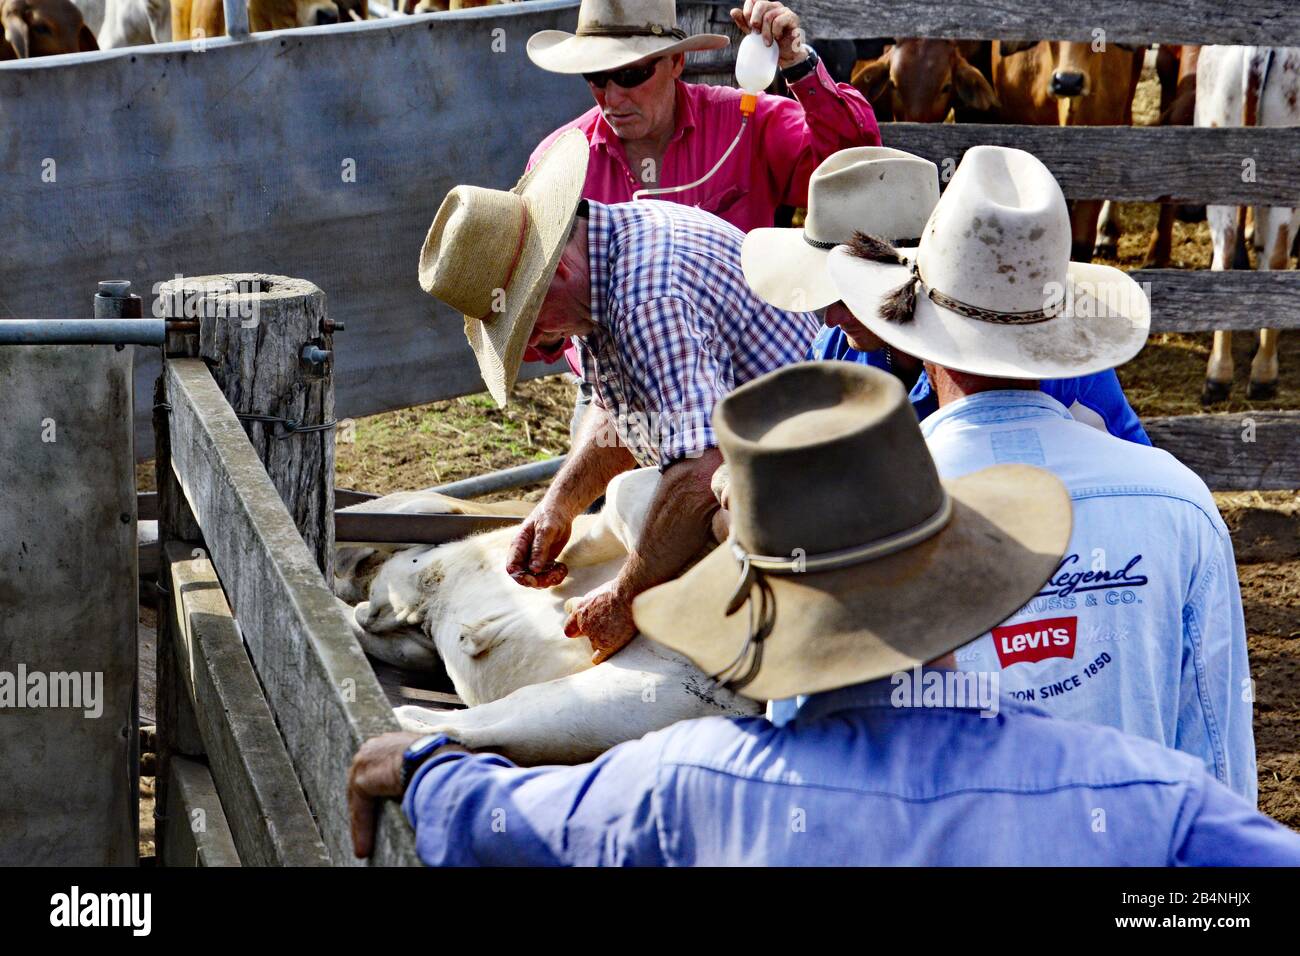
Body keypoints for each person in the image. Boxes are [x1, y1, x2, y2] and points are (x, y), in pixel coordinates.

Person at [347, 362, 1300, 866]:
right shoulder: (1129, 800)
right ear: (957, 583)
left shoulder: (683, 789)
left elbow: (512, 822)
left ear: (754, 604)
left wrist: (426, 768)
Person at [827, 144, 1257, 800]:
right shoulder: (1179, 502)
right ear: (1059, 331)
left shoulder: (859, 515)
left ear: (918, 324)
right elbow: (1219, 771)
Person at [417, 130, 817, 664]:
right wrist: (558, 505)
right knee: (633, 498)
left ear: (555, 271)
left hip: (812, 492)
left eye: (525, 324)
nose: (534, 345)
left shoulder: (646, 300)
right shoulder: (608, 254)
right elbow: (631, 411)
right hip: (755, 461)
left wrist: (626, 602)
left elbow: (702, 470)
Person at [524, 0, 879, 427]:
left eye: (631, 74)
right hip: (624, 385)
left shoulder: (744, 122)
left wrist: (797, 66)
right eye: (596, 77)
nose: (612, 96)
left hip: (755, 373)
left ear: (676, 62)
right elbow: (530, 311)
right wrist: (552, 327)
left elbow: (850, 167)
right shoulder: (558, 167)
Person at [740, 144, 1150, 443]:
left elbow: (1127, 467)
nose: (830, 317)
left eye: (845, 293)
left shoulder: (1049, 357)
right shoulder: (836, 350)